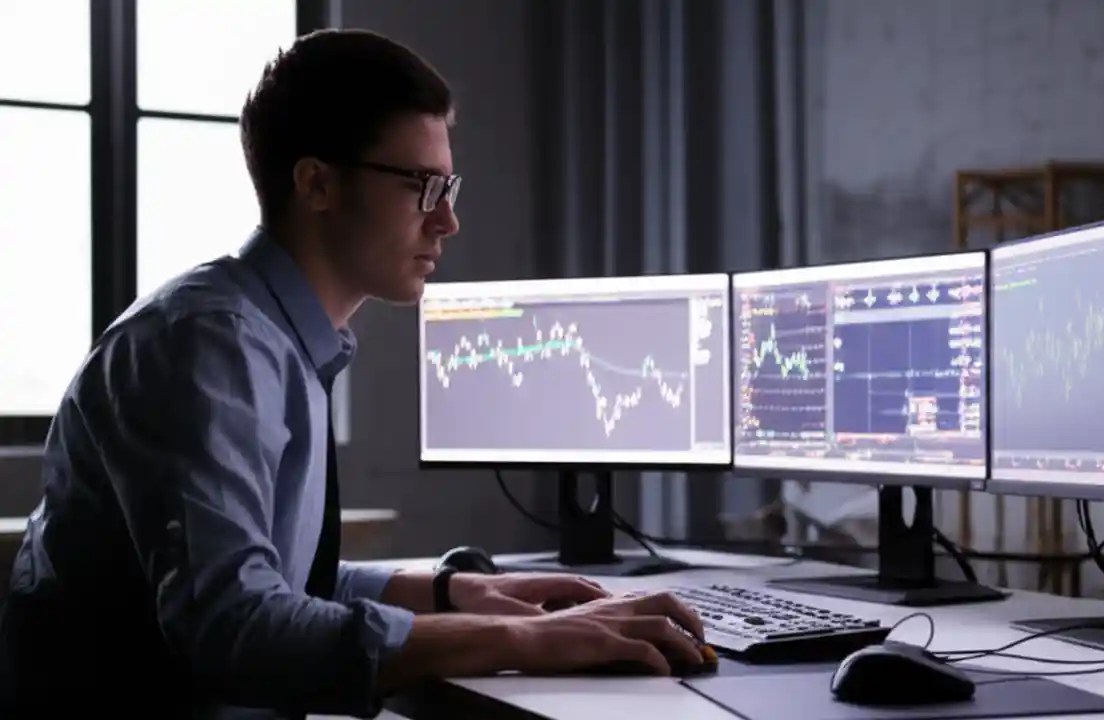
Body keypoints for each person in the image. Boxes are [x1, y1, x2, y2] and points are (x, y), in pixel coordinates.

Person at [0, 28, 706, 718]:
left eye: (449, 186)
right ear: (318, 184)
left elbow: (282, 580)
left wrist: (452, 593)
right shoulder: (212, 346)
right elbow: (232, 623)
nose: (448, 221)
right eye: (423, 186)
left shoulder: (274, 338)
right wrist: (528, 639)